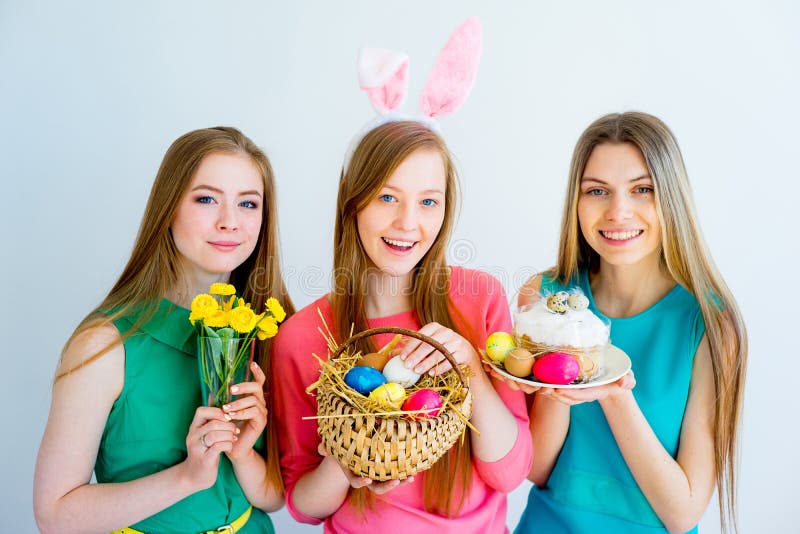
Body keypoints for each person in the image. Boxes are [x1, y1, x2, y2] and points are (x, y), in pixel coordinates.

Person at [271, 120, 532, 533]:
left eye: (428, 202)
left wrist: (470, 368)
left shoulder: (480, 298)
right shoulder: (303, 336)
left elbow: (509, 474)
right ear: (353, 203)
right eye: (387, 197)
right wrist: (346, 455)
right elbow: (303, 505)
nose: (408, 223)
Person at [33, 126, 294, 533]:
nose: (230, 222)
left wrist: (243, 454)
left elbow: (277, 497)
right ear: (168, 207)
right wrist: (187, 477)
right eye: (207, 199)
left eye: (248, 203)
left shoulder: (268, 332)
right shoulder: (104, 345)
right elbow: (55, 516)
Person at [506, 112, 747, 533]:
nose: (618, 212)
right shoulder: (543, 295)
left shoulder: (709, 323)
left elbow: (683, 512)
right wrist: (559, 375)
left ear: (671, 197)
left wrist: (615, 394)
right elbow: (537, 470)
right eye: (597, 191)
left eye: (642, 190)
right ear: (576, 202)